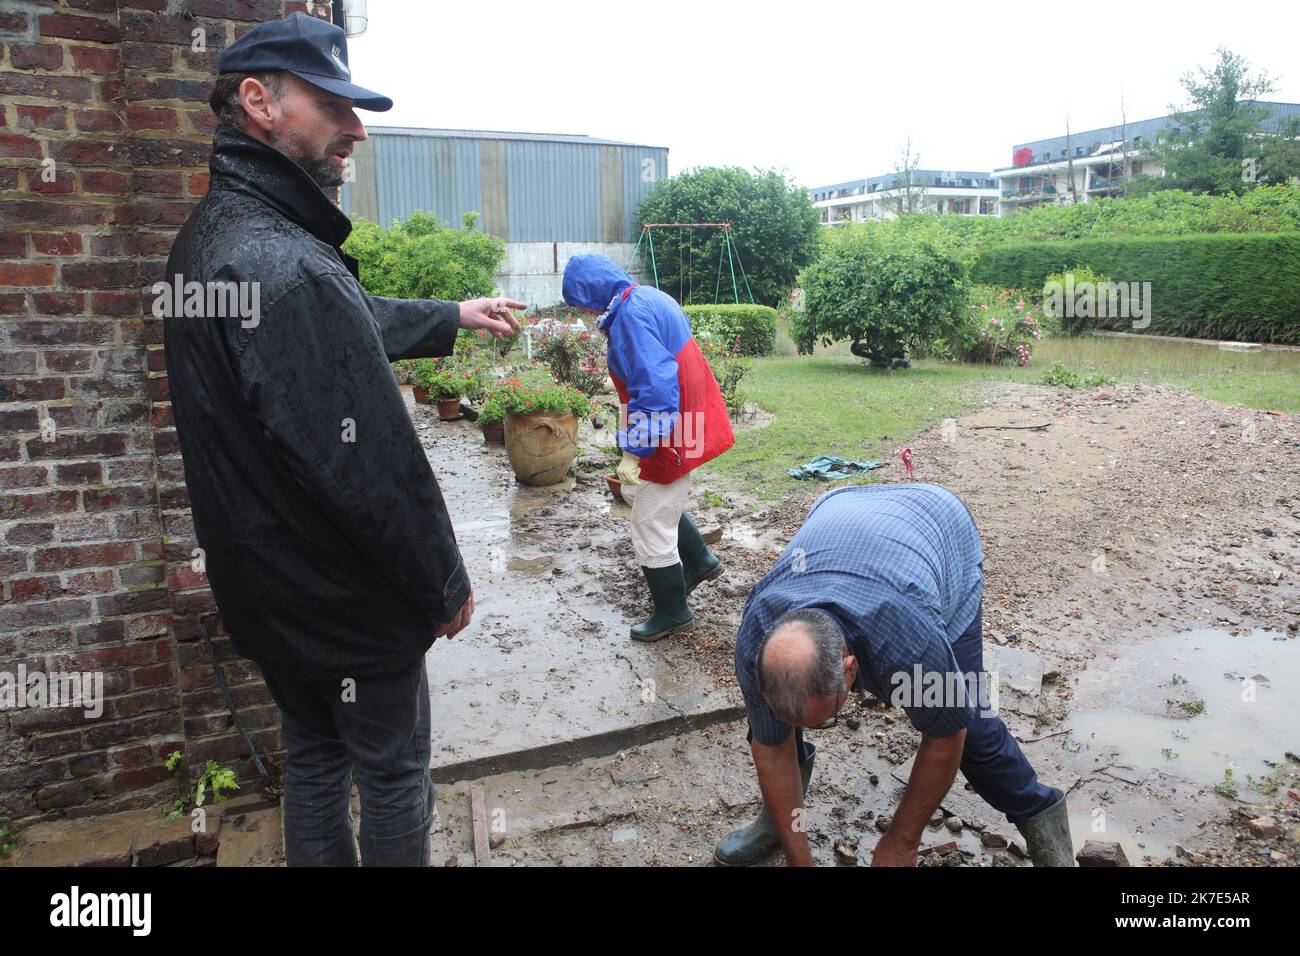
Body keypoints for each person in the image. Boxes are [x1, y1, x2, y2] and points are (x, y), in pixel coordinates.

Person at [163, 12, 522, 866]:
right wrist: (441, 580)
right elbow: (366, 466)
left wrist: (450, 316)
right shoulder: (286, 264)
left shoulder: (210, 240)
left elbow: (333, 326)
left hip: (269, 595)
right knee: (395, 774)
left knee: (316, 759)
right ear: (259, 101)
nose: (356, 129)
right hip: (346, 602)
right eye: (334, 106)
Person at [718, 483, 1074, 867]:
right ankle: (779, 825)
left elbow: (945, 737)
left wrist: (901, 842)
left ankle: (1045, 828)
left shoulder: (911, 641)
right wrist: (799, 858)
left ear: (851, 670)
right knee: (777, 724)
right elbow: (772, 752)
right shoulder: (757, 637)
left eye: (830, 717)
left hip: (938, 526)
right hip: (843, 510)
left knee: (971, 726)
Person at [560, 254, 734, 641]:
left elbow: (655, 390)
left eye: (582, 304)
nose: (586, 314)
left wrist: (634, 450)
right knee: (659, 497)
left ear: (592, 293)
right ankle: (700, 560)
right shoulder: (646, 297)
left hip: (671, 429)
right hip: (687, 418)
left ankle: (673, 612)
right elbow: (655, 364)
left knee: (649, 519)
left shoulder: (630, 317)